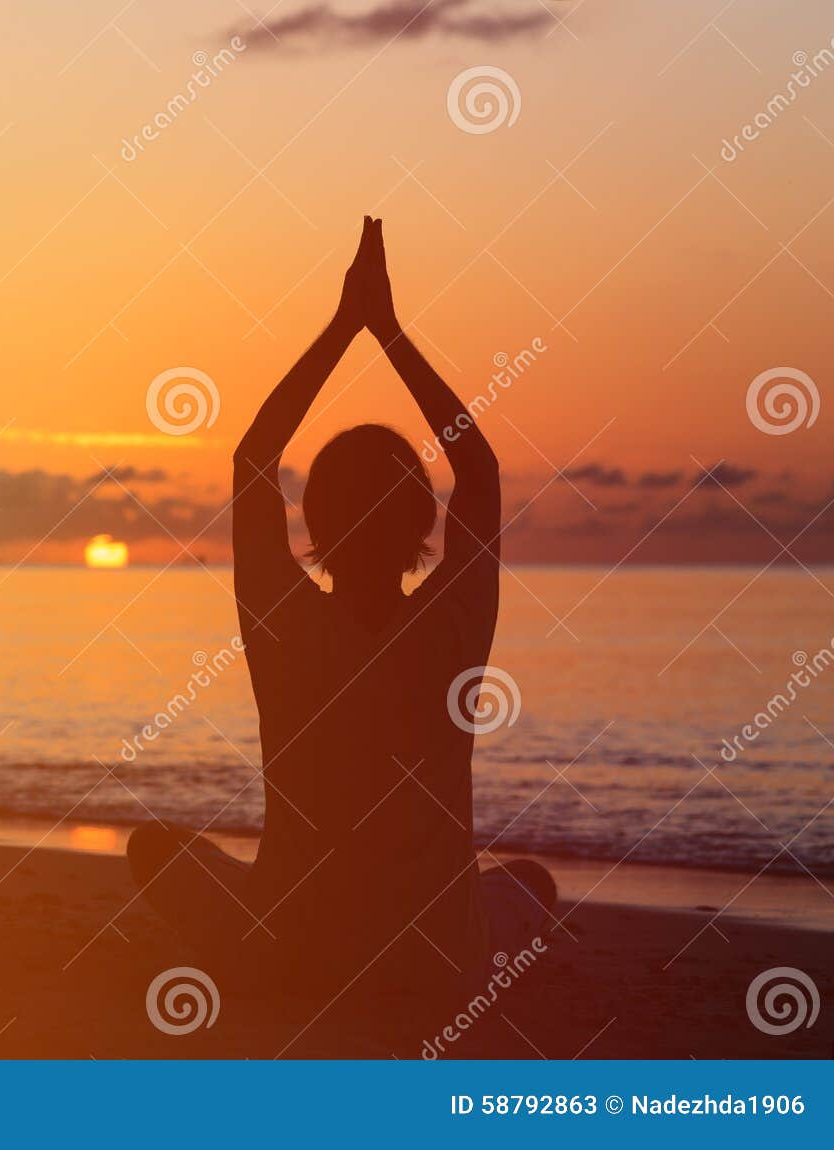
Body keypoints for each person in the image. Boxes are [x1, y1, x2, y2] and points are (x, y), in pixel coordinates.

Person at [128, 217, 555, 1030]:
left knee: (155, 852)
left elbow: (253, 458)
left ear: (314, 523)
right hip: (435, 964)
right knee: (529, 883)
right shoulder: (454, 623)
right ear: (420, 525)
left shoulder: (283, 627)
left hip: (294, 948)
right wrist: (388, 333)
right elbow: (481, 467)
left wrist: (342, 329)